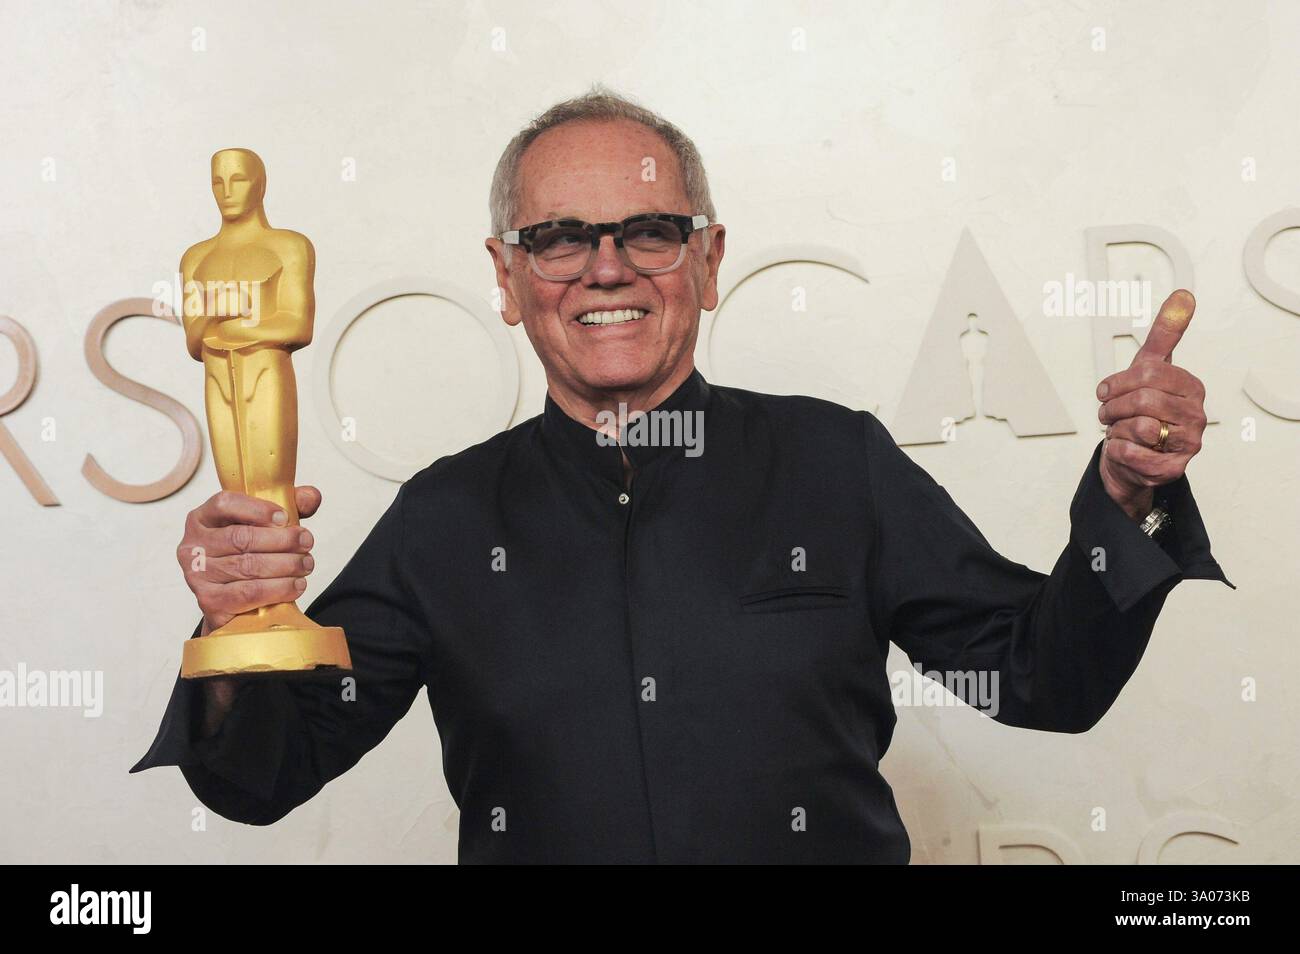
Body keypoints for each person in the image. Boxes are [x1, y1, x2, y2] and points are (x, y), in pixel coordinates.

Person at [132, 87, 1234, 864]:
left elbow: (1047, 681)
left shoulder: (833, 462)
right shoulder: (443, 517)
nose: (605, 267)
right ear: (509, 280)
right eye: (559, 238)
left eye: (649, 231)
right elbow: (261, 778)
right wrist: (233, 630)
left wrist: (1128, 496)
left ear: (705, 263)